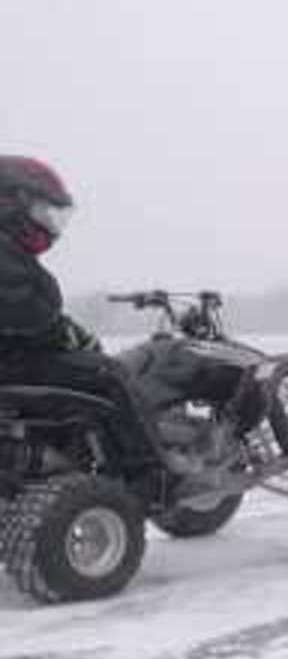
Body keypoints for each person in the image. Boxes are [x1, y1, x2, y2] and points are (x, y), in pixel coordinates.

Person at [0, 155, 177, 478]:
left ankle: (62, 456)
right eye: (43, 213)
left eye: (56, 217)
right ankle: (153, 476)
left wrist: (63, 329)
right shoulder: (5, 254)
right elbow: (24, 313)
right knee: (110, 375)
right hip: (12, 363)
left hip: (11, 358)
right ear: (11, 204)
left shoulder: (11, 253)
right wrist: (63, 335)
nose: (50, 227)